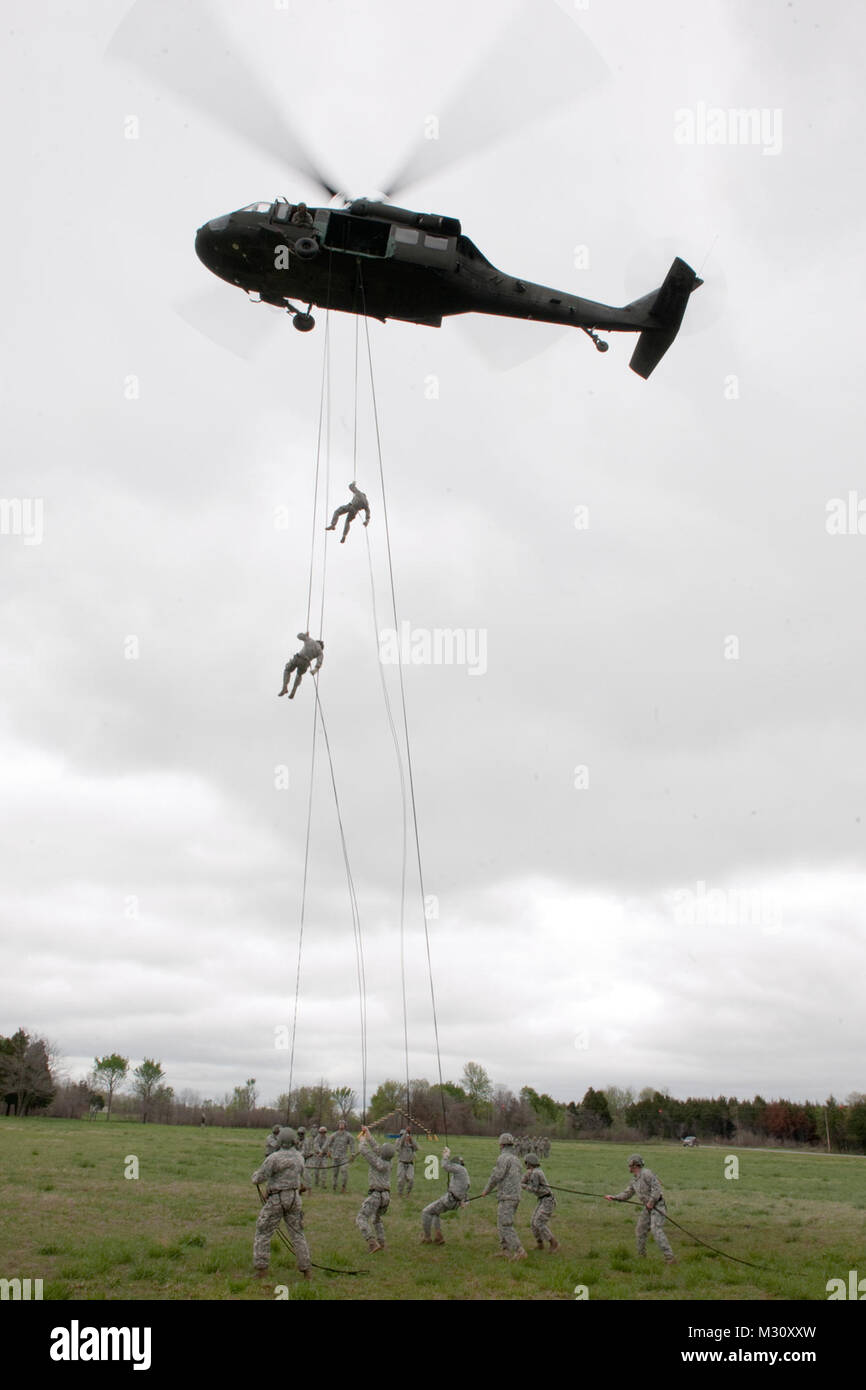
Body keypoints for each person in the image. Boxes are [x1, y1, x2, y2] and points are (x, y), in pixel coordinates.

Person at [251, 1127, 311, 1281]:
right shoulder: (299, 1157)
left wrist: (254, 1176)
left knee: (263, 1231)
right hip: (294, 1199)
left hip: (277, 1199)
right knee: (298, 1234)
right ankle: (306, 1271)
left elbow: (259, 1178)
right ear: (293, 1141)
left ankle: (261, 1269)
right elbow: (301, 1173)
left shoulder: (273, 1158)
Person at [605, 1153, 676, 1264]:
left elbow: (657, 1189)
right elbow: (627, 1194)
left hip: (658, 1206)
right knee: (640, 1230)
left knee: (656, 1230)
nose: (628, 1167)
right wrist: (614, 1197)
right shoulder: (634, 1180)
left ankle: (670, 1258)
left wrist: (651, 1202)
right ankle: (641, 1258)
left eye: (629, 1165)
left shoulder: (647, 1174)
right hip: (648, 1208)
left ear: (634, 1165)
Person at [480, 1132, 525, 1260]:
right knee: (501, 1224)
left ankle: (519, 1250)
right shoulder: (516, 1159)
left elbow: (496, 1176)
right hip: (515, 1196)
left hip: (507, 1197)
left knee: (505, 1224)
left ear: (501, 1144)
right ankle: (505, 1250)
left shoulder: (503, 1158)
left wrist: (486, 1190)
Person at [356, 1125, 394, 1252]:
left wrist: (362, 1141)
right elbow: (378, 1149)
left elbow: (365, 1151)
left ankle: (372, 1242)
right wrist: (368, 1134)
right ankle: (382, 1243)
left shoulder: (377, 1162)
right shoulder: (389, 1161)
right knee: (377, 1219)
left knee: (361, 1217)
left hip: (376, 1195)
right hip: (386, 1197)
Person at [420, 1147, 469, 1244]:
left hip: (449, 1201)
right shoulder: (464, 1174)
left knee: (426, 1212)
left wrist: (446, 1156)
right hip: (454, 1203)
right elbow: (465, 1190)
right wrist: (465, 1201)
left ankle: (427, 1238)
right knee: (435, 1213)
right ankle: (439, 1237)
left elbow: (445, 1166)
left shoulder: (460, 1170)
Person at [522, 1152, 559, 1252]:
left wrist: (523, 1186)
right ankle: (540, 1244)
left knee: (539, 1222)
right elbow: (524, 1180)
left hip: (548, 1200)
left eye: (526, 1163)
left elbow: (533, 1189)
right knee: (533, 1223)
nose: (525, 1165)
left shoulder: (536, 1173)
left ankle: (553, 1242)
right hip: (542, 1200)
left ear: (529, 1163)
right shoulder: (533, 1172)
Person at [278, 632, 324, 700]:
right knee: (299, 675)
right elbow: (319, 662)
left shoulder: (310, 640)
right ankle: (294, 690)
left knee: (287, 670)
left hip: (298, 658)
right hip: (305, 663)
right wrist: (315, 670)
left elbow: (298, 636)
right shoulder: (320, 652)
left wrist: (305, 635)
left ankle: (284, 687)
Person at [328, 1120, 357, 1192]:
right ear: (338, 1125)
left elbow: (352, 1145)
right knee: (335, 1173)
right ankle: (334, 1186)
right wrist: (329, 1151)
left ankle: (343, 1187)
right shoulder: (334, 1135)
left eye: (342, 1124)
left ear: (345, 1125)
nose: (341, 1125)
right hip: (335, 1157)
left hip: (344, 1158)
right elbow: (329, 1143)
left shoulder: (348, 1135)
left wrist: (352, 1154)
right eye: (340, 1124)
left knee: (344, 1171)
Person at [395, 1126, 419, 1195]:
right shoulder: (398, 1141)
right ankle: (400, 1193)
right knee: (400, 1180)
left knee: (411, 1180)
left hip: (410, 1164)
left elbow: (416, 1148)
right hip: (401, 1163)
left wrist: (411, 1140)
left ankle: (408, 1192)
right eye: (402, 1135)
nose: (405, 1136)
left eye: (406, 1134)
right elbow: (400, 1145)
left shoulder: (411, 1141)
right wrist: (406, 1132)